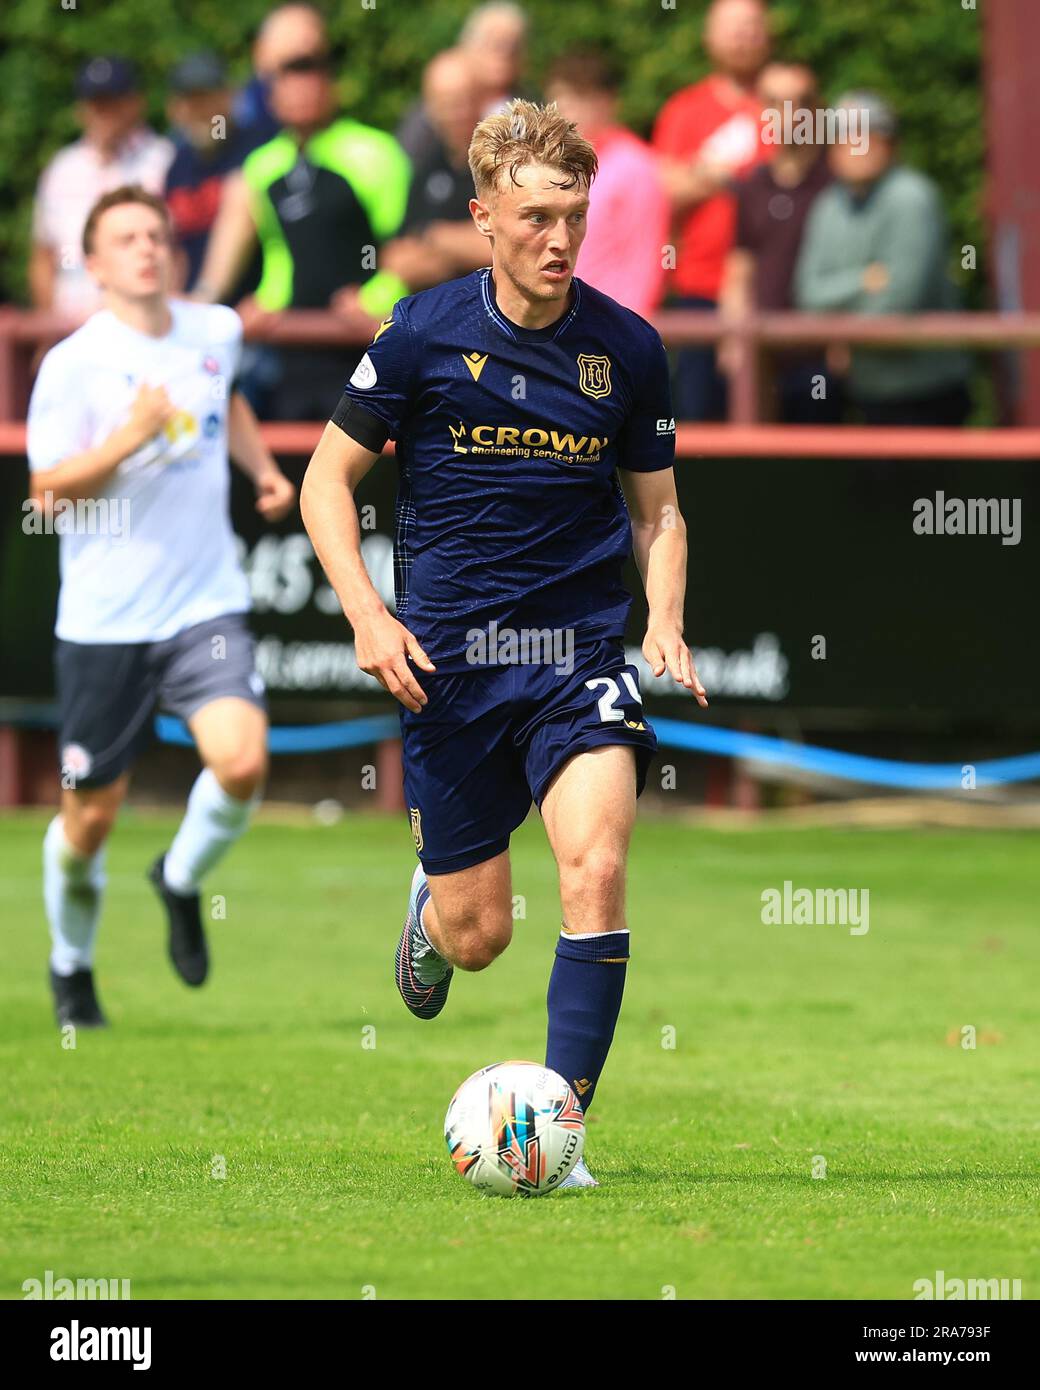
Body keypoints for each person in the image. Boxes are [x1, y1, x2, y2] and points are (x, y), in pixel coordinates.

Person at [300, 100, 707, 1191]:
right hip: (447, 663)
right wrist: (365, 613)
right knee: (481, 934)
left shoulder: (626, 348)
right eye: (533, 216)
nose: (558, 239)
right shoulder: (422, 331)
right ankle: (430, 917)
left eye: (571, 214)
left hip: (577, 653)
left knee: (599, 865)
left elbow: (657, 512)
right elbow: (325, 483)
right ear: (483, 216)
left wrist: (661, 617)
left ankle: (558, 1137)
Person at [26, 186, 296, 1029]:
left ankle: (178, 876)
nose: (146, 247)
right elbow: (47, 493)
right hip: (105, 622)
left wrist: (260, 468)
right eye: (126, 237)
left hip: (202, 602)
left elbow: (230, 398)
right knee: (89, 821)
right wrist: (131, 436)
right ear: (95, 262)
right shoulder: (72, 363)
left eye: (156, 233)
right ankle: (72, 967)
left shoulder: (213, 330)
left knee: (244, 760)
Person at [195, 47, 411, 419]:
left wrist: (376, 298)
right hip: (291, 347)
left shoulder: (376, 152)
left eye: (311, 83)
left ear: (331, 90)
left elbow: (401, 247)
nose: (301, 96)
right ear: (273, 98)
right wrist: (265, 302)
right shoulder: (262, 166)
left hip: (362, 341)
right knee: (294, 458)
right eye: (289, 85)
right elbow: (279, 252)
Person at [794, 92, 973, 426]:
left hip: (928, 390)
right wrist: (865, 279)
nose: (855, 146)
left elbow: (901, 299)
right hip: (866, 391)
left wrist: (842, 330)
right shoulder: (828, 205)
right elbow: (810, 295)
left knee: (931, 480)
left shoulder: (912, 197)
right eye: (844, 137)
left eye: (867, 135)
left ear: (891, 145)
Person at [652, 0, 771, 419]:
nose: (742, 36)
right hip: (697, 290)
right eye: (732, 27)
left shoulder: (786, 106)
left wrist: (703, 172)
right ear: (709, 36)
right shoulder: (685, 110)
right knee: (696, 421)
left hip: (773, 292)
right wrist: (726, 177)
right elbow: (662, 188)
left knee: (774, 423)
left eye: (751, 26)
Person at [721, 59, 840, 422]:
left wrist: (844, 340)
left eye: (799, 101)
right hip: (761, 359)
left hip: (821, 357)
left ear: (817, 109)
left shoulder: (837, 182)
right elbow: (741, 267)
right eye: (773, 101)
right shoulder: (753, 185)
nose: (787, 114)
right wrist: (733, 338)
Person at [30, 57, 174, 319]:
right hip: (70, 328)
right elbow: (43, 256)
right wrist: (50, 322)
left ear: (136, 102)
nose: (104, 112)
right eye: (95, 103)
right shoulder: (62, 168)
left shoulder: (164, 160)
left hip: (142, 324)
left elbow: (177, 250)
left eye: (112, 101)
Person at [545, 49, 669, 319]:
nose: (564, 112)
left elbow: (645, 259)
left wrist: (627, 330)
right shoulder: (548, 166)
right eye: (558, 100)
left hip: (605, 326)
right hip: (554, 322)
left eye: (577, 99)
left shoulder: (635, 166)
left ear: (606, 102)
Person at [379, 50, 490, 293]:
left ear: (483, 99)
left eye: (463, 99)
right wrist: (459, 251)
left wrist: (435, 238)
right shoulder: (426, 164)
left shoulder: (505, 164)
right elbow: (397, 260)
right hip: (432, 320)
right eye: (445, 102)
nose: (455, 112)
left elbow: (511, 244)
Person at [164, 52, 267, 295]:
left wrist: (203, 300)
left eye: (206, 98)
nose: (199, 110)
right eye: (189, 100)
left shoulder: (256, 150)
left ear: (229, 97)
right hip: (189, 312)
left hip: (250, 314)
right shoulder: (178, 164)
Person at [396, 3, 530, 166]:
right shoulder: (433, 107)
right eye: (495, 44)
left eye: (513, 46)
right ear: (468, 46)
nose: (505, 54)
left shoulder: (530, 111)